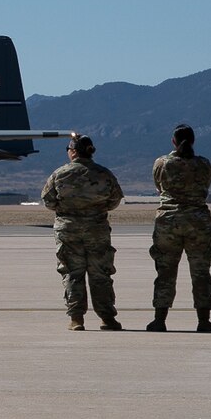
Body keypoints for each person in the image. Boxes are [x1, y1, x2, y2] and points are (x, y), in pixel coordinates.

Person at [41, 134, 125, 331]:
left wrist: (69, 209)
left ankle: (76, 318)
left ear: (73, 152)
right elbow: (114, 200)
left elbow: (48, 201)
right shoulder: (104, 174)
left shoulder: (60, 174)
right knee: (100, 274)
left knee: (72, 273)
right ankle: (107, 318)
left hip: (68, 230)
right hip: (97, 230)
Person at [148, 124, 211, 332]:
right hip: (198, 221)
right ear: (193, 141)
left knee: (165, 271)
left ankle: (160, 319)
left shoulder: (162, 163)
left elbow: (159, 186)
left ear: (173, 141)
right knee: (201, 272)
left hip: (169, 221)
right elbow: (206, 185)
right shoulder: (203, 164)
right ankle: (204, 320)